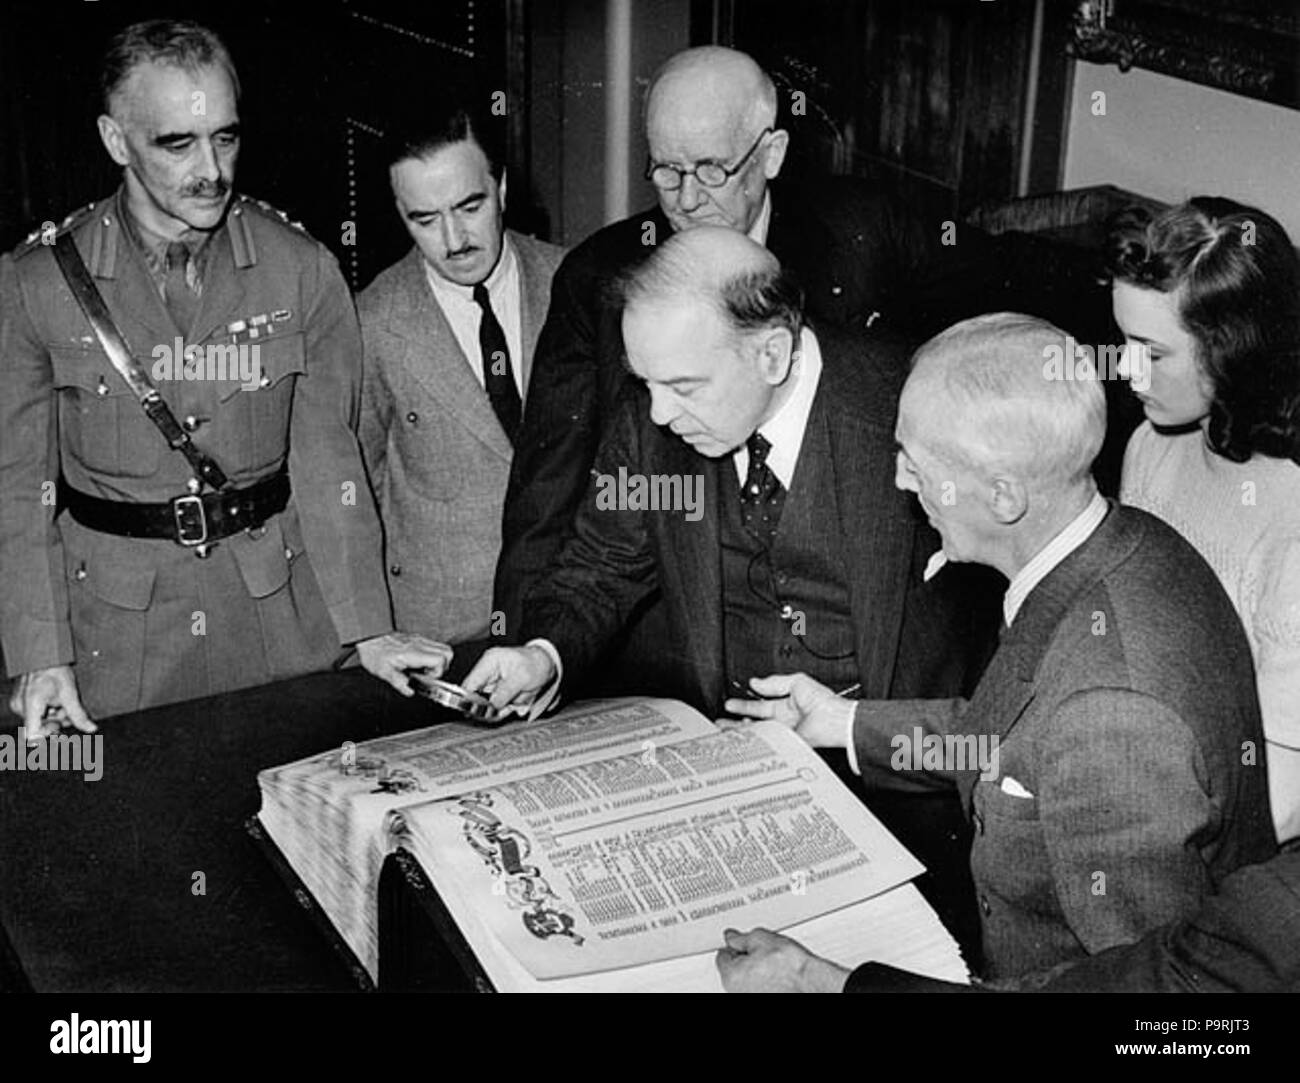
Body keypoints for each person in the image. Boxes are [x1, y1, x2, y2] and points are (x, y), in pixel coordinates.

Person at [719, 312, 1276, 988]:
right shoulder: (1117, 545)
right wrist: (843, 724)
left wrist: (827, 984)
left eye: (916, 465)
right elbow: (1019, 736)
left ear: (1004, 495)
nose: (899, 482)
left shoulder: (1113, 713)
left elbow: (1159, 1012)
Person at [0, 19, 448, 732]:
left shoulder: (301, 269)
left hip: (277, 622)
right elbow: (19, 488)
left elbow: (329, 457)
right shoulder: (38, 285)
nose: (211, 169)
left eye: (226, 138)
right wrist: (38, 654)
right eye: (176, 143)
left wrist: (367, 627)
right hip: (117, 641)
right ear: (116, 141)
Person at [493, 44, 957, 669]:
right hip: (696, 675)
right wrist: (531, 652)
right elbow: (568, 525)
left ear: (770, 154)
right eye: (664, 171)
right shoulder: (617, 317)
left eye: (711, 170)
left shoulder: (894, 386)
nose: (684, 200)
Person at [1110, 197, 1300, 846]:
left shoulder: (1293, 517)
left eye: (1152, 352)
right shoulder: (1151, 444)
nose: (1126, 371)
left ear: (1231, 353)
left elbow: (1283, 798)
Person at [357, 102, 565, 646]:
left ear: (500, 188)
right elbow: (359, 484)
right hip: (441, 634)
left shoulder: (575, 283)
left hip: (569, 624)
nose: (454, 240)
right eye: (424, 220)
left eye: (469, 206)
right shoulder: (371, 322)